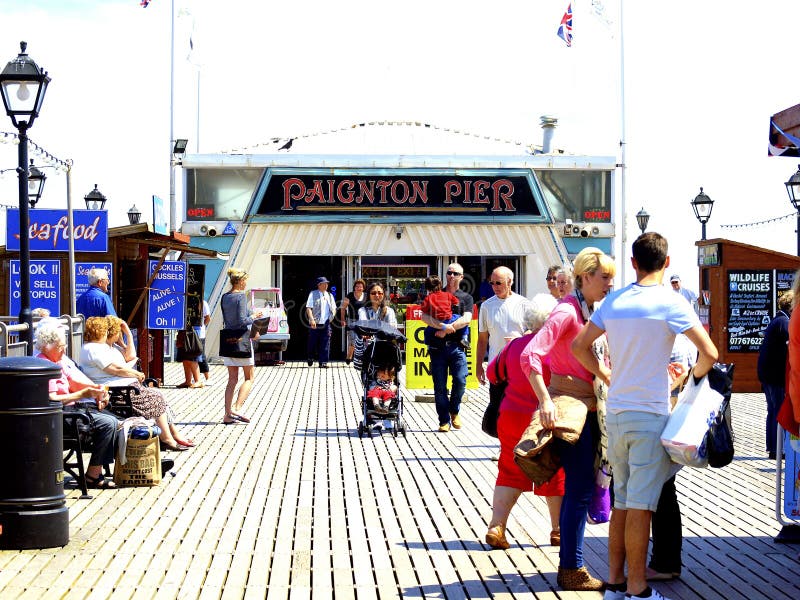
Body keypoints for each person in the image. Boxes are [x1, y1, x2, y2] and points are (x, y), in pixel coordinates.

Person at [572, 233, 717, 600]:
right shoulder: (671, 303)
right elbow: (710, 353)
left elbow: (579, 346)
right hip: (650, 412)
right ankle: (638, 588)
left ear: (633, 263)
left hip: (617, 412)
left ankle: (616, 583)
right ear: (666, 263)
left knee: (622, 500)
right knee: (641, 505)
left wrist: (606, 375)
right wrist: (691, 379)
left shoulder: (614, 301)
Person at [520, 247, 616, 591]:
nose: (609, 283)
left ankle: (572, 565)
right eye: (604, 277)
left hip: (589, 408)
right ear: (586, 277)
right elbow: (531, 354)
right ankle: (571, 568)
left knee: (581, 488)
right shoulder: (566, 311)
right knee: (578, 489)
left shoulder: (586, 308)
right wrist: (545, 400)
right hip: (573, 408)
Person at [484, 297, 566, 550]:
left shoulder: (515, 345)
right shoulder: (559, 347)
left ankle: (497, 526)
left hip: (511, 417)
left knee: (509, 469)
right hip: (547, 417)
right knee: (555, 471)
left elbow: (492, 374)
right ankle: (558, 531)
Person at [80, 316, 194, 451]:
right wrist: (136, 374)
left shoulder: (103, 347)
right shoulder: (94, 348)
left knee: (157, 394)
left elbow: (129, 358)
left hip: (124, 388)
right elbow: (116, 370)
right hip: (119, 392)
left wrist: (126, 334)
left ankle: (172, 435)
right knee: (155, 397)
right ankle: (168, 438)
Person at [35, 318, 119, 489]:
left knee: (117, 422)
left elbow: (74, 382)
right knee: (109, 424)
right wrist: (83, 394)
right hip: (59, 417)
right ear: (46, 347)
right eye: (61, 346)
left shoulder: (57, 361)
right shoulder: (44, 365)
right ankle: (93, 476)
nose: (65, 349)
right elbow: (51, 400)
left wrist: (97, 390)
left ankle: (101, 472)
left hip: (70, 411)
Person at [645, 333, 695, 583]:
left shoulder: (669, 341)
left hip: (662, 424)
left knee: (661, 497)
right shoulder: (682, 340)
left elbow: (675, 383)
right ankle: (668, 561)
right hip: (673, 425)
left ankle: (665, 562)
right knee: (666, 495)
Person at [419, 263, 473, 432]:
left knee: (460, 381)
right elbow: (425, 317)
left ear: (461, 277)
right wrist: (443, 327)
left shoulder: (466, 297)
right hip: (437, 348)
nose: (451, 276)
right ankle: (444, 420)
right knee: (440, 387)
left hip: (457, 347)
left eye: (455, 273)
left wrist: (449, 329)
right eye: (449, 272)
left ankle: (454, 410)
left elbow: (467, 319)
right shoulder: (436, 292)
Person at [220, 268, 264, 424]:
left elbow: (228, 320)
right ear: (240, 281)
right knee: (249, 377)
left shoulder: (225, 297)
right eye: (245, 280)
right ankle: (237, 409)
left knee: (232, 379)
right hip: (242, 340)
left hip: (228, 340)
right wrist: (254, 316)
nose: (246, 283)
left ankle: (227, 414)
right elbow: (241, 321)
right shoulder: (241, 297)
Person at [758, 290, 793, 459]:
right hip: (776, 375)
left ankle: (773, 448)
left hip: (766, 374)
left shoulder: (776, 320)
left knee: (772, 411)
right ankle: (778, 449)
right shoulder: (784, 323)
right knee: (778, 411)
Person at [420, 274, 468, 349]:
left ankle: (430, 346)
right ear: (440, 285)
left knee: (427, 331)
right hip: (450, 319)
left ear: (427, 288)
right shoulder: (448, 295)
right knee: (462, 320)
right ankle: (464, 338)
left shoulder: (428, 298)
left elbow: (424, 310)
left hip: (437, 322)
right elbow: (456, 302)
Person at [306, 276, 337, 368]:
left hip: (326, 323)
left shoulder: (330, 295)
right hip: (315, 322)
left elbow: (334, 308)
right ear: (319, 285)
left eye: (327, 283)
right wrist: (311, 319)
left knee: (325, 342)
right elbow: (308, 308)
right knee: (313, 341)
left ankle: (323, 362)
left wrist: (332, 317)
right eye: (324, 283)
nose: (326, 285)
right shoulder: (313, 294)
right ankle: (310, 357)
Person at [340, 279, 367, 365]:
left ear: (363, 288)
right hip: (351, 321)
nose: (359, 288)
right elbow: (343, 308)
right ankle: (351, 357)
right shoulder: (350, 296)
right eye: (357, 286)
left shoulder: (366, 296)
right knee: (353, 341)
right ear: (354, 287)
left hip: (363, 321)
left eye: (360, 286)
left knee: (361, 340)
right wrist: (343, 319)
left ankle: (351, 357)